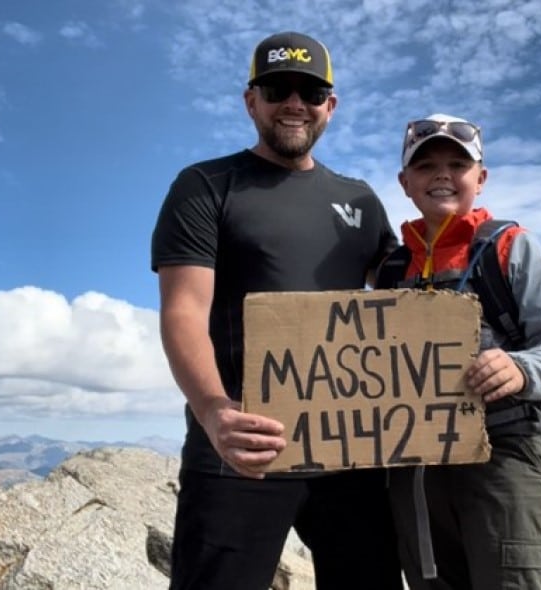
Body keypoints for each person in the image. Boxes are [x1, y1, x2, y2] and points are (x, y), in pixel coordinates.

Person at [150, 31, 402, 590]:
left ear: (329, 107)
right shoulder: (205, 186)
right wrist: (215, 413)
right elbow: (183, 312)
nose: (295, 103)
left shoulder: (360, 200)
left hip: (349, 447)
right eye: (278, 88)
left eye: (311, 92)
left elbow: (406, 307)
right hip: (242, 445)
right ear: (251, 100)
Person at [380, 114, 541, 589]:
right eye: (426, 165)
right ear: (405, 182)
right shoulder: (392, 267)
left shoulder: (510, 247)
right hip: (418, 470)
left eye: (458, 163)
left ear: (481, 177)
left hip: (503, 458)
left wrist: (519, 368)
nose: (443, 175)